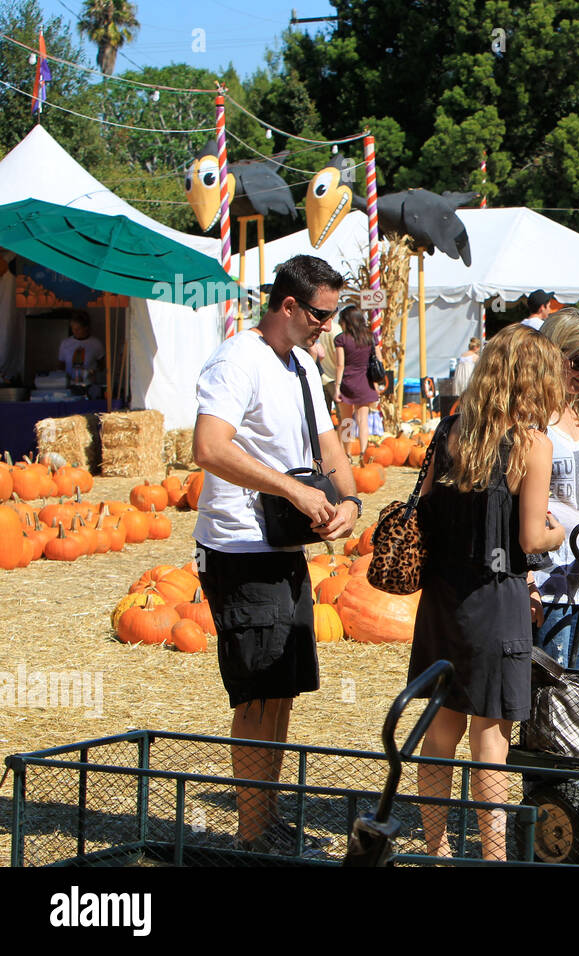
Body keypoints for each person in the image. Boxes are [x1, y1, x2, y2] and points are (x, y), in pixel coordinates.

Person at [191, 254, 358, 854]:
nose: (327, 328)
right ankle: (254, 835)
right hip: (240, 546)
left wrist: (351, 501)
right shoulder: (239, 359)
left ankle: (267, 826)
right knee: (259, 691)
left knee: (282, 689)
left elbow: (330, 447)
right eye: (320, 314)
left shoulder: (305, 369)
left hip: (285, 545)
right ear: (288, 306)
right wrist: (292, 488)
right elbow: (208, 448)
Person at [409, 323, 568, 860]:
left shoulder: (450, 429)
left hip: (442, 599)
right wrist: (561, 528)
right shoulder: (532, 444)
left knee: (441, 726)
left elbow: (424, 511)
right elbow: (530, 537)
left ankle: (435, 849)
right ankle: (493, 854)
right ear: (533, 380)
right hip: (496, 601)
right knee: (491, 737)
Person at [534, 308, 579, 669]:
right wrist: (526, 580)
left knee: (577, 692)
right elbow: (520, 507)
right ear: (553, 355)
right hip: (546, 583)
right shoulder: (534, 419)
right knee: (549, 696)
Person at [333, 305, 382, 459]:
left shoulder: (341, 339)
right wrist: (376, 385)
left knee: (347, 421)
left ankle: (346, 453)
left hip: (347, 382)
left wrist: (337, 387)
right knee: (363, 420)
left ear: (346, 321)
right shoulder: (369, 338)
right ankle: (363, 452)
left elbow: (340, 365)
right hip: (365, 382)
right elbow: (378, 360)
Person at [57, 312, 105, 384]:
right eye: (73, 328)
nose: (75, 331)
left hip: (89, 384)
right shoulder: (65, 343)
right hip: (69, 383)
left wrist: (93, 373)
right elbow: (61, 365)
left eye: (78, 329)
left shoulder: (96, 343)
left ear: (86, 328)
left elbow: (102, 365)